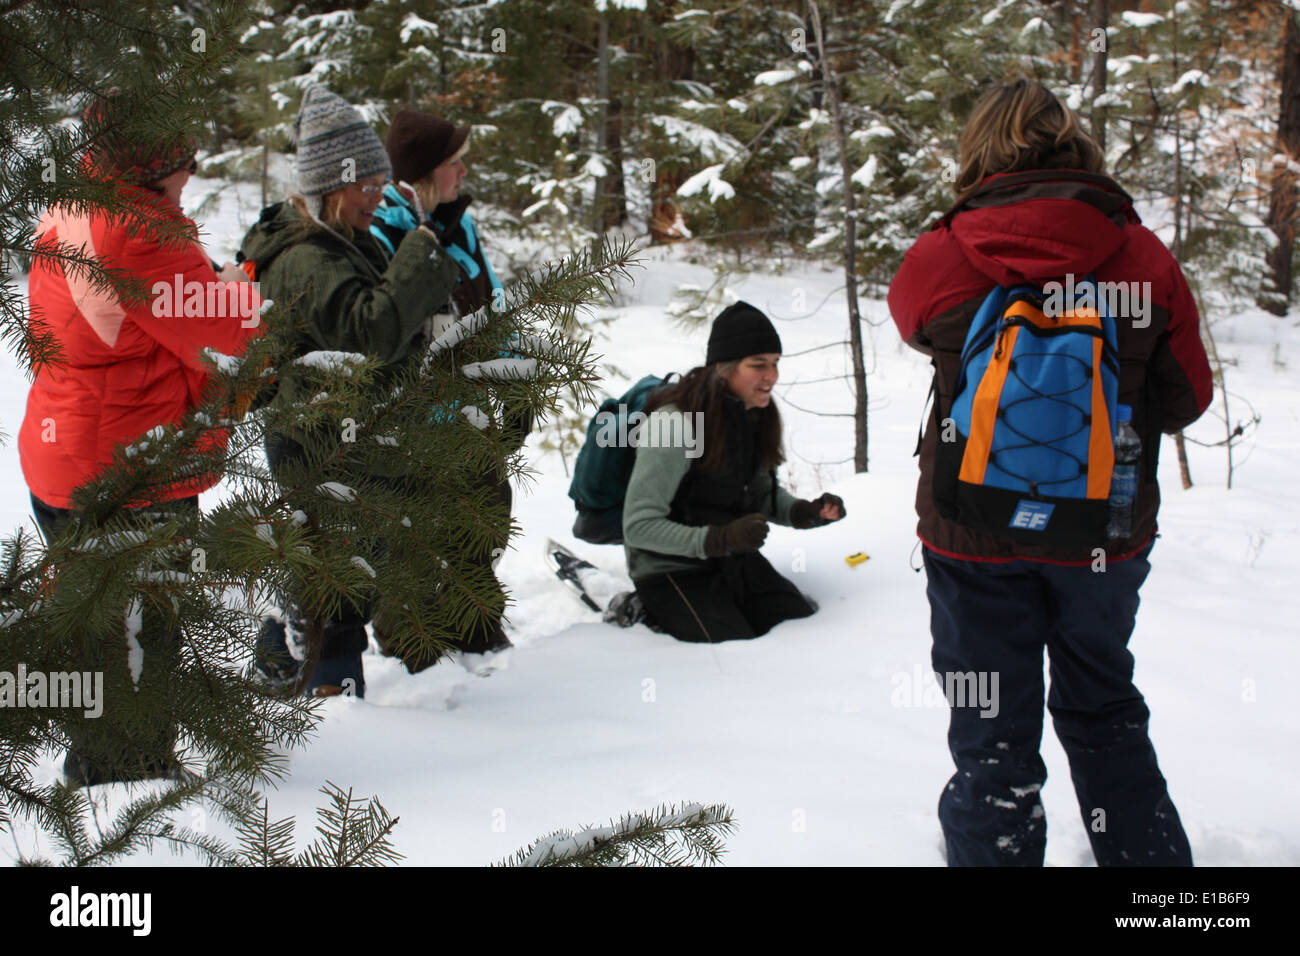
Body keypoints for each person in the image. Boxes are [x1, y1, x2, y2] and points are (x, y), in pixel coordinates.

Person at [888, 79, 1213, 866]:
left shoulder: (942, 251)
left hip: (971, 530)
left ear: (978, 147)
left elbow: (911, 325)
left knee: (989, 733)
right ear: (1078, 143)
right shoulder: (1140, 254)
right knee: (1104, 711)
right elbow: (1186, 400)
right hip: (1102, 530)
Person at [20, 91, 261, 785]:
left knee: (100, 632)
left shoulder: (77, 204)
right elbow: (230, 333)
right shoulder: (140, 232)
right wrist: (246, 281)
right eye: (185, 158)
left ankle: (109, 768)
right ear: (155, 162)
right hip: (126, 468)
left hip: (71, 448)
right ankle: (131, 796)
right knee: (137, 638)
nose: (193, 171)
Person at [240, 86, 460, 697]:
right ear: (332, 188)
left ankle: (286, 650)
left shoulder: (343, 240)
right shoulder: (307, 258)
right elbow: (370, 332)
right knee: (335, 587)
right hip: (316, 441)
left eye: (381, 184)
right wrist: (420, 247)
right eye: (367, 186)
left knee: (347, 575)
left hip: (345, 439)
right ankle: (329, 714)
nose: (378, 198)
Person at [367, 109, 524, 667]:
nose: (464, 173)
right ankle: (412, 651)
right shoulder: (385, 229)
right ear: (424, 174)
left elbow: (491, 297)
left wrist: (513, 369)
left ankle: (477, 632)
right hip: (412, 422)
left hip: (469, 410)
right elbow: (386, 326)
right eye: (455, 164)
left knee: (484, 520)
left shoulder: (458, 220)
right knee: (413, 544)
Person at [620, 301, 845, 642]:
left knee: (798, 628)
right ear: (723, 368)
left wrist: (804, 512)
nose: (772, 376)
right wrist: (717, 539)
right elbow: (638, 527)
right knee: (732, 649)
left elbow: (759, 495)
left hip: (729, 556)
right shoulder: (676, 424)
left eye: (775, 364)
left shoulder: (751, 414)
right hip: (668, 568)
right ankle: (639, 609)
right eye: (759, 365)